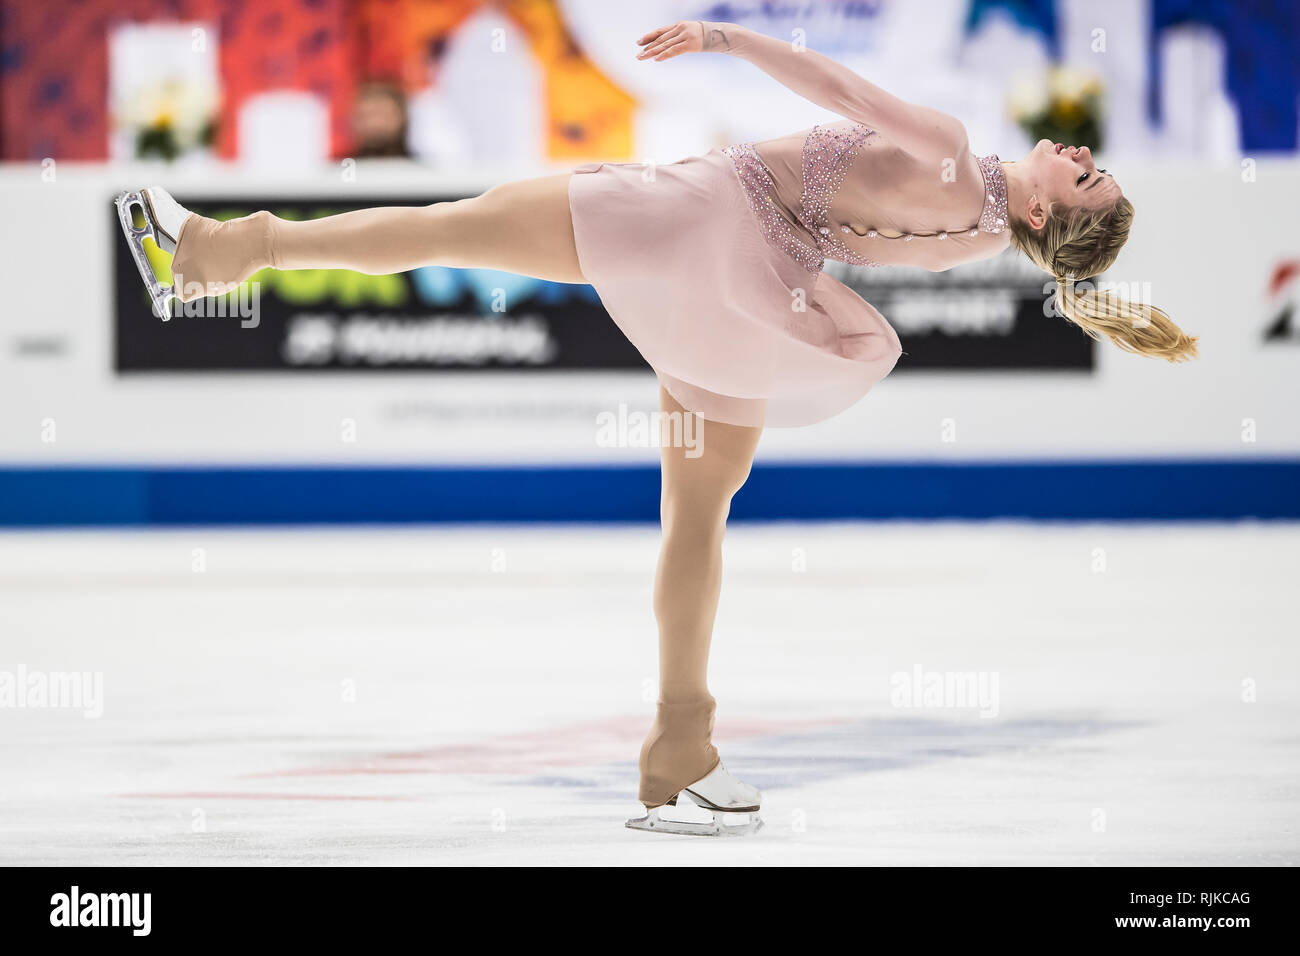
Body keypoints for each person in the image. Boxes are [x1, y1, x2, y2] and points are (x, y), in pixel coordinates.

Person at [115, 19, 1198, 838]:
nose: (1072, 149)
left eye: (1084, 171)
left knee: (453, 224)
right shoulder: (971, 236)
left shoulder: (961, 157)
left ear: (1051, 212)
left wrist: (728, 37)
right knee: (696, 519)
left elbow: (840, 84)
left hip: (689, 220)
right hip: (747, 303)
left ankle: (216, 252)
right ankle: (680, 746)